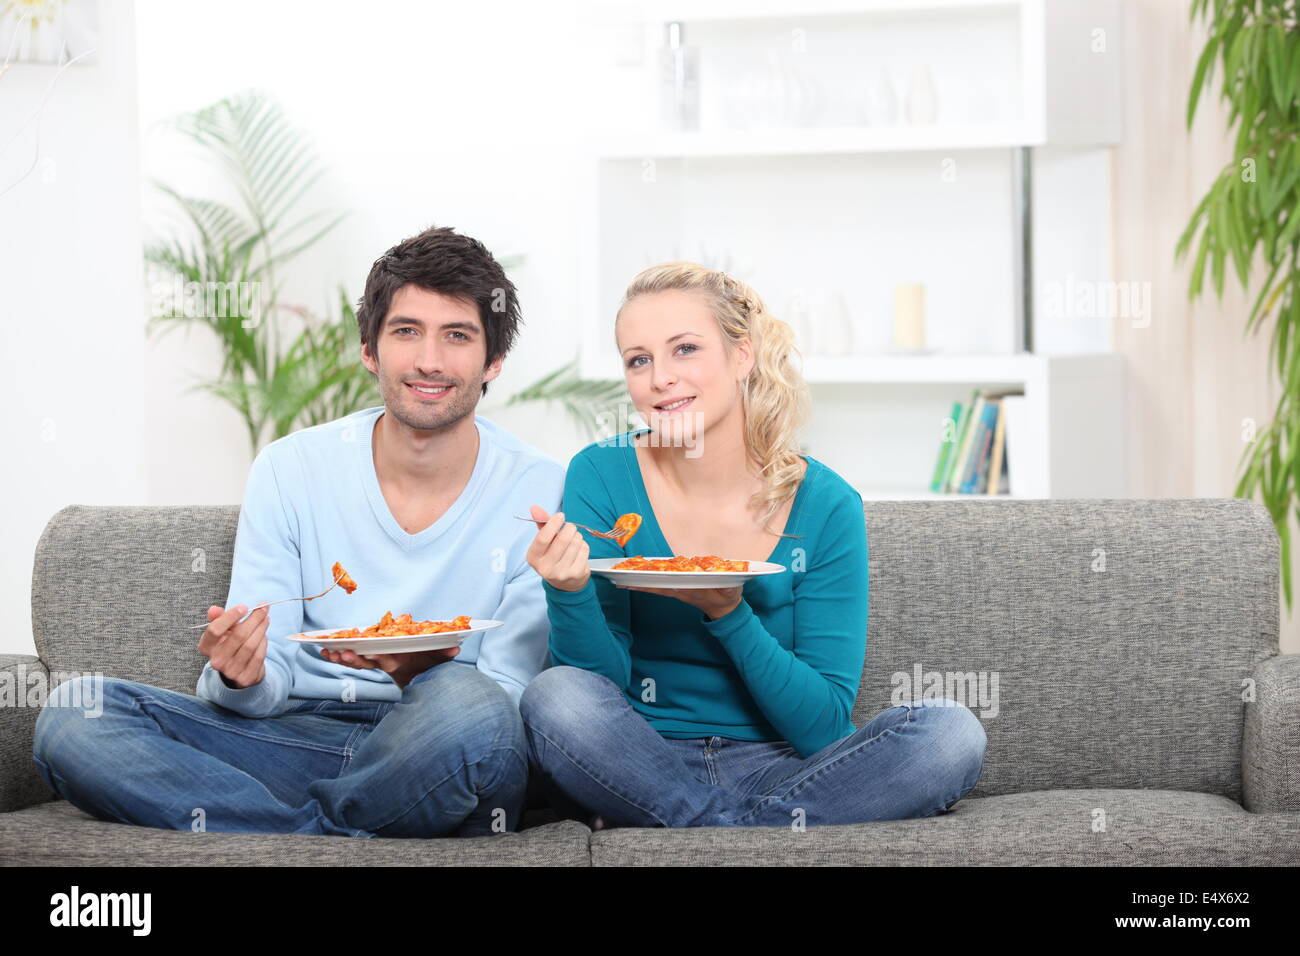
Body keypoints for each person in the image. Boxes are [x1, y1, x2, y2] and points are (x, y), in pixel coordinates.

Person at [32, 225, 563, 837]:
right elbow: (266, 676)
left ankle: (289, 829)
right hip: (296, 738)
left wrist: (414, 672)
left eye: (457, 336)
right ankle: (327, 831)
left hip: (440, 740)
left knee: (475, 709)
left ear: (493, 360)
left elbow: (507, 698)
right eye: (406, 331)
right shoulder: (291, 468)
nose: (429, 360)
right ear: (370, 348)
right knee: (77, 714)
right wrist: (243, 673)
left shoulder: (539, 487)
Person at [520, 262, 986, 829]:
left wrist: (729, 611)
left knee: (950, 733)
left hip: (783, 771)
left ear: (742, 356)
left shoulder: (827, 503)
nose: (660, 378)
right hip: (640, 760)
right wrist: (568, 591)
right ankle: (755, 836)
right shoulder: (600, 473)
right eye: (638, 359)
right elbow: (601, 685)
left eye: (685, 349)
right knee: (556, 696)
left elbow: (821, 726)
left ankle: (706, 830)